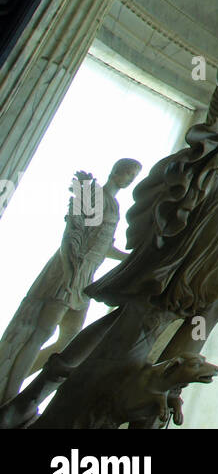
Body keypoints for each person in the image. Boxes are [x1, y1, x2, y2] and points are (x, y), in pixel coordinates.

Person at [0, 31, 218, 428]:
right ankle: (169, 380)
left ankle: (37, 392)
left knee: (138, 310)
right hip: (207, 204)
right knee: (209, 300)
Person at [0, 158, 142, 402]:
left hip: (86, 278)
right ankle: (10, 394)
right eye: (127, 172)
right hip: (69, 271)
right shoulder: (93, 193)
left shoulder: (115, 205)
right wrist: (69, 272)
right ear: (115, 170)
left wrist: (133, 258)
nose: (129, 178)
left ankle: (20, 385)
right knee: (40, 334)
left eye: (133, 176)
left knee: (70, 341)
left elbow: (103, 247)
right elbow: (71, 235)